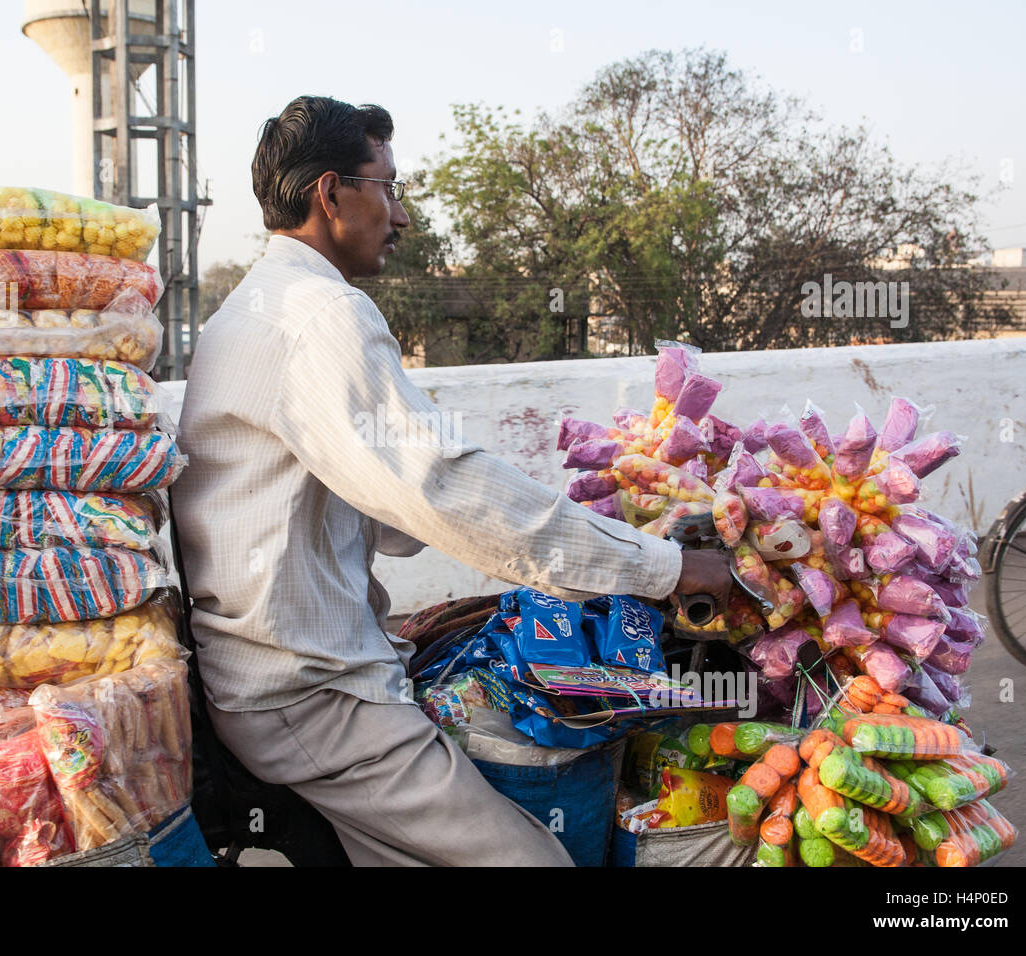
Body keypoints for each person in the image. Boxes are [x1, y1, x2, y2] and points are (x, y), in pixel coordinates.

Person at [171, 95, 732, 866]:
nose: (400, 216)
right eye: (389, 187)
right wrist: (662, 568)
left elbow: (403, 508)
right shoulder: (322, 315)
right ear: (331, 194)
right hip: (311, 694)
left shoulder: (258, 306)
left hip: (284, 669)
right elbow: (441, 492)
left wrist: (556, 530)